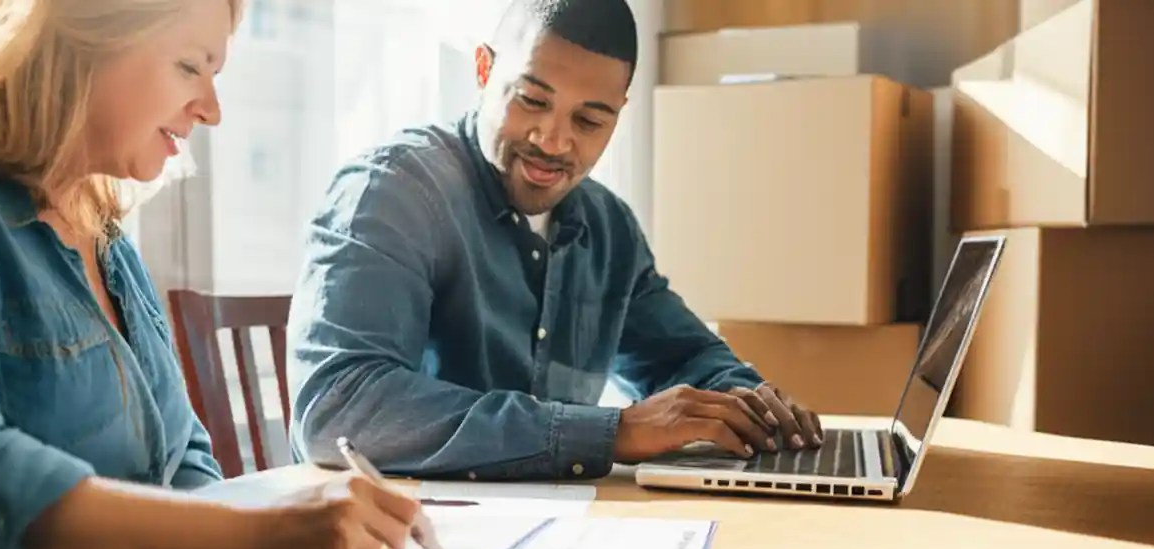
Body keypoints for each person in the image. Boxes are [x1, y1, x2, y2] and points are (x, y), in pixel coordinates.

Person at [0, 2, 418, 549]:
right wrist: (260, 541)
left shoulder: (103, 231)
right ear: (79, 36)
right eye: (190, 66)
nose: (213, 109)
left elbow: (185, 460)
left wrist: (299, 528)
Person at [289, 0, 824, 480]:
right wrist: (611, 432)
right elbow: (337, 409)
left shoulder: (608, 227)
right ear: (484, 69)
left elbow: (680, 355)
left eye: (590, 120)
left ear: (617, 116)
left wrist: (741, 402)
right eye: (531, 100)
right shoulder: (392, 193)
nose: (553, 140)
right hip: (401, 543)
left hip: (559, 531)